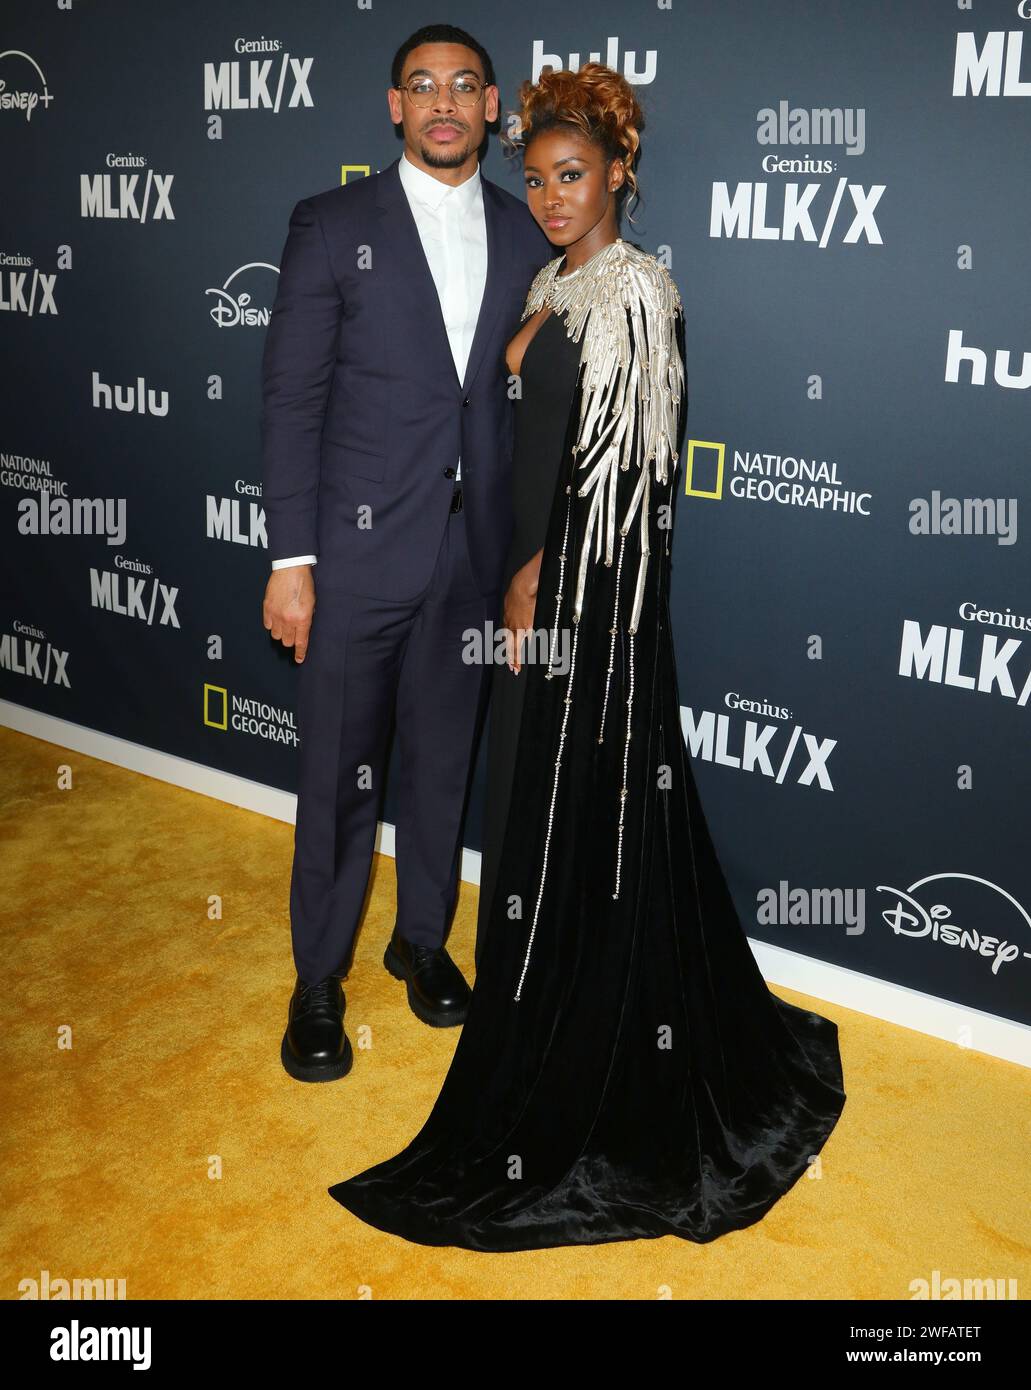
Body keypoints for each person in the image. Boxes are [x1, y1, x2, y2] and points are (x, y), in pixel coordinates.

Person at [327, 62, 847, 1251]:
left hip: (575, 613)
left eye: (573, 176)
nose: (551, 196)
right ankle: (532, 1009)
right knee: (518, 814)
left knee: (557, 812)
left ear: (618, 173)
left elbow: (633, 486)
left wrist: (539, 578)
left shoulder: (636, 294)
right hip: (525, 594)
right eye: (537, 177)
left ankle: (571, 1053)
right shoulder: (551, 278)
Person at [260, 24, 552, 1082]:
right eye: (420, 85)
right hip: (352, 558)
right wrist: (290, 558)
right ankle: (317, 980)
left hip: (472, 560)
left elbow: (526, 411)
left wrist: (524, 561)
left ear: (490, 110)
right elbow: (292, 401)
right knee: (338, 775)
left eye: (462, 85)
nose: (441, 101)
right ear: (393, 108)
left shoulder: (529, 238)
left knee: (440, 763)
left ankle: (420, 939)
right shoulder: (332, 225)